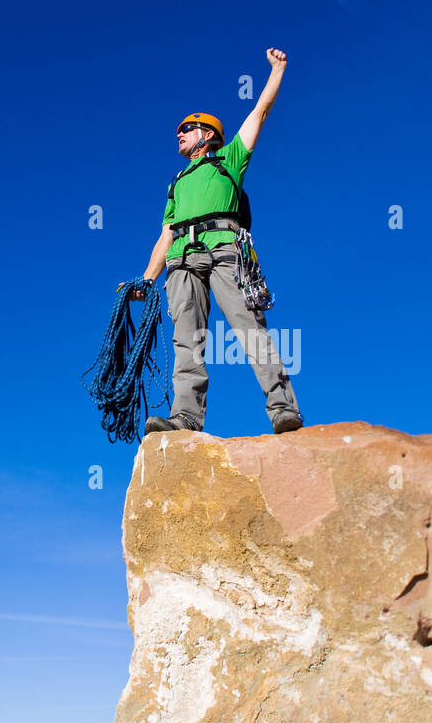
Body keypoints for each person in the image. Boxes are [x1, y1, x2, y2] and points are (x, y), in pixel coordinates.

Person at [120, 47, 303, 436]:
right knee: (186, 340)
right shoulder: (177, 183)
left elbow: (260, 113)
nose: (179, 135)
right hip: (181, 261)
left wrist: (277, 71)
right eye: (179, 131)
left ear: (207, 135)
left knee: (249, 327)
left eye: (185, 129)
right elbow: (165, 234)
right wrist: (146, 281)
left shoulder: (229, 159)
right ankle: (185, 416)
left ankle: (283, 408)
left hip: (224, 252)